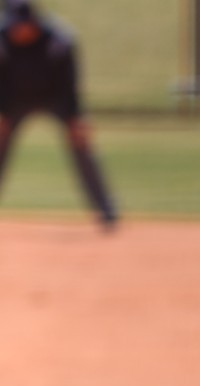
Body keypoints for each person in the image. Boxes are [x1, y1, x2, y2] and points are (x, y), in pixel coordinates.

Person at [0, 0, 118, 228]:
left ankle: (106, 210)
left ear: (33, 21)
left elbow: (70, 85)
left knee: (80, 141)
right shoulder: (2, 41)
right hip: (13, 99)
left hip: (56, 98)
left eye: (23, 25)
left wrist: (76, 117)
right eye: (15, 25)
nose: (20, 30)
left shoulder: (59, 42)